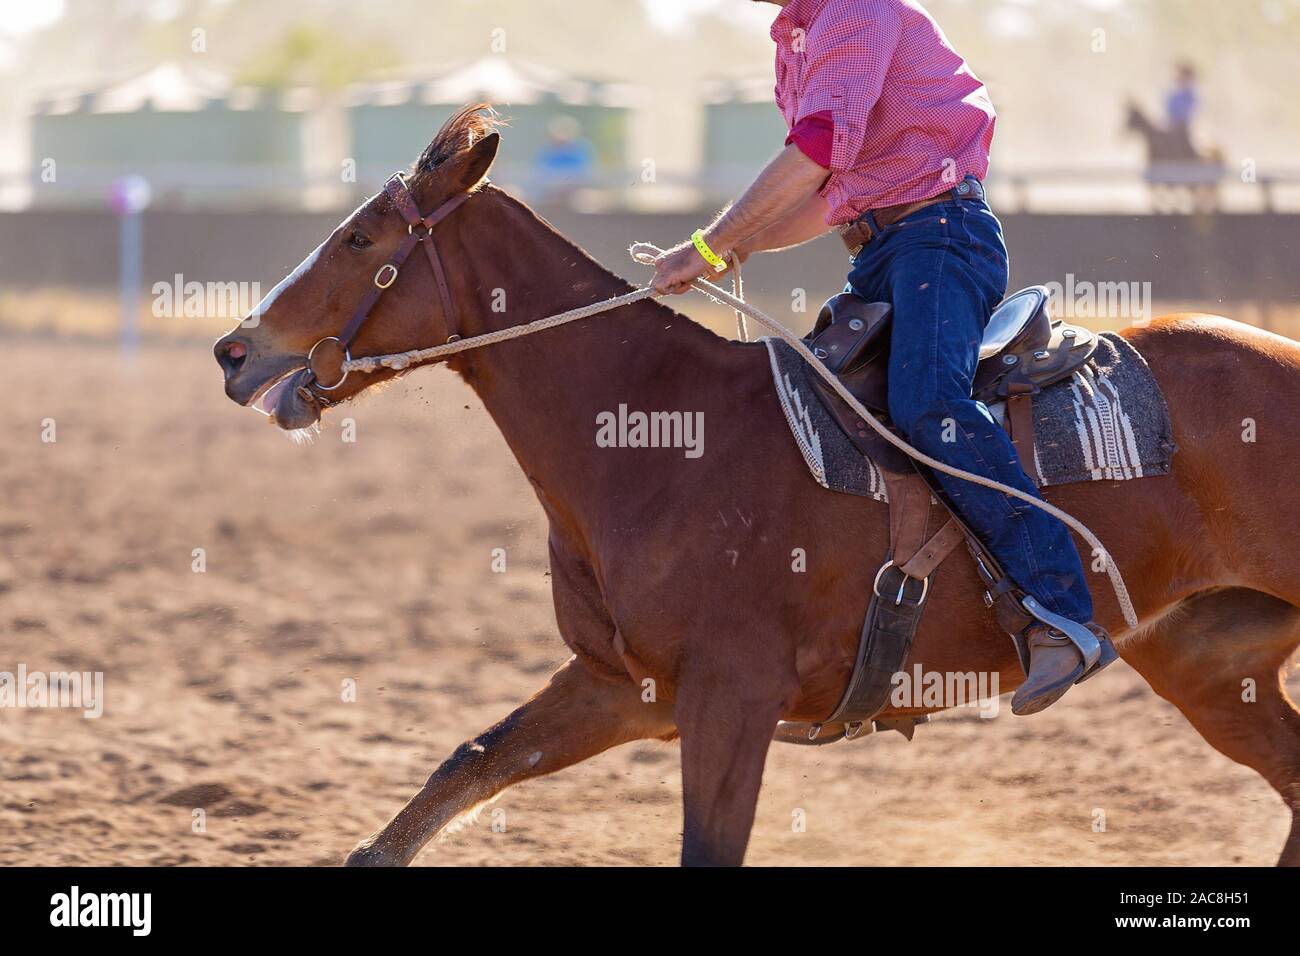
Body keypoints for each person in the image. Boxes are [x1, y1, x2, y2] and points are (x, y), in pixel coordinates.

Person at [650, 0, 1116, 715]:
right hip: (888, 247)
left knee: (929, 407)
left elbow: (815, 148)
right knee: (815, 411)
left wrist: (712, 246)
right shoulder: (796, 38)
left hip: (939, 235)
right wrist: (733, 249)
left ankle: (1063, 613)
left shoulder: (856, 8)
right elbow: (825, 193)